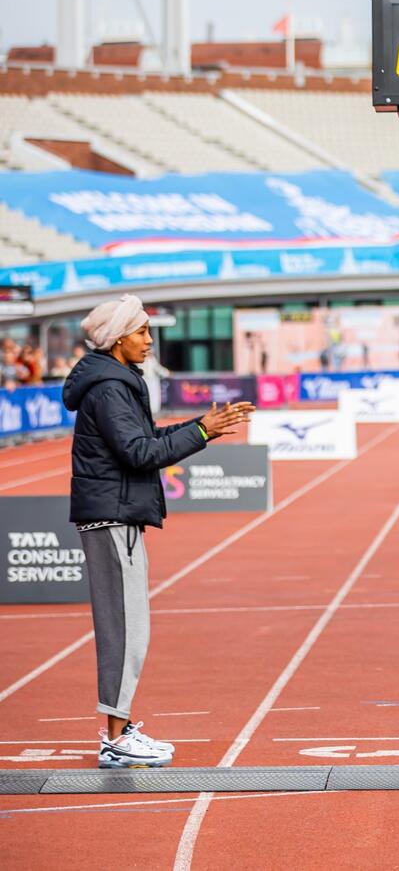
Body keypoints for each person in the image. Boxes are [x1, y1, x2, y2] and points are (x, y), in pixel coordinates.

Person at [63, 295, 253, 768]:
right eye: (143, 332)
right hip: (113, 519)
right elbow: (139, 454)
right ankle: (116, 736)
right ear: (118, 338)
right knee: (125, 632)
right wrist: (202, 432)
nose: (150, 340)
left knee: (129, 630)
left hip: (117, 516)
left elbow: (145, 443)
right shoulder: (108, 388)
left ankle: (120, 729)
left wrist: (203, 427)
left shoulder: (115, 382)